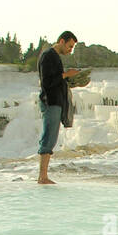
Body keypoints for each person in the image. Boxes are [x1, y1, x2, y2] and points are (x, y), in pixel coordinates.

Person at [38, 30, 81, 184]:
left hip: (56, 102)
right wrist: (65, 75)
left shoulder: (54, 56)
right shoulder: (48, 56)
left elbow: (55, 80)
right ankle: (42, 177)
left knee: (51, 137)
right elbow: (46, 82)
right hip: (50, 101)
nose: (70, 50)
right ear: (62, 41)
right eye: (70, 46)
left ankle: (43, 176)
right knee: (48, 137)